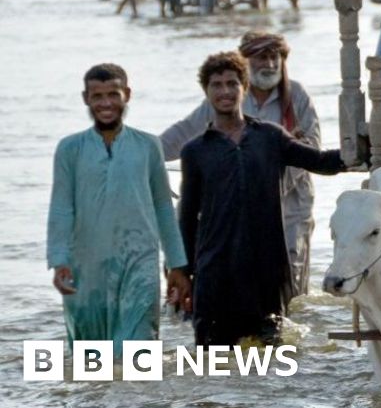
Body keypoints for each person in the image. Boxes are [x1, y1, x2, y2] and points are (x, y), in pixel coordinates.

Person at [177, 51, 345, 346]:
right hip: (216, 271)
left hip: (266, 268)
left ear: (244, 88)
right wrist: (181, 272)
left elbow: (320, 161)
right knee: (214, 359)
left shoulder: (269, 136)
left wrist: (358, 152)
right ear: (207, 92)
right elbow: (187, 217)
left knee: (271, 355)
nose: (225, 91)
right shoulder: (195, 151)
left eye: (232, 83)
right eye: (216, 85)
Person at [47, 64, 191, 357]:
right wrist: (59, 260)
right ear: (85, 98)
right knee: (92, 359)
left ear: (127, 94)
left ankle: (144, 405)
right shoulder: (69, 149)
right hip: (85, 268)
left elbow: (163, 205)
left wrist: (177, 264)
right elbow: (61, 206)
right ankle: (97, 405)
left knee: (138, 354)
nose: (105, 103)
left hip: (139, 263)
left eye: (113, 94)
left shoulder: (148, 145)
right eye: (97, 96)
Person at [161, 32, 321, 294]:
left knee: (290, 276)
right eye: (260, 58)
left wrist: (268, 184)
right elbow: (183, 133)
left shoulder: (296, 96)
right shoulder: (229, 94)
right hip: (238, 208)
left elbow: (311, 149)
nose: (269, 64)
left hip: (290, 204)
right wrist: (144, 154)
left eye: (274, 57)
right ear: (245, 63)